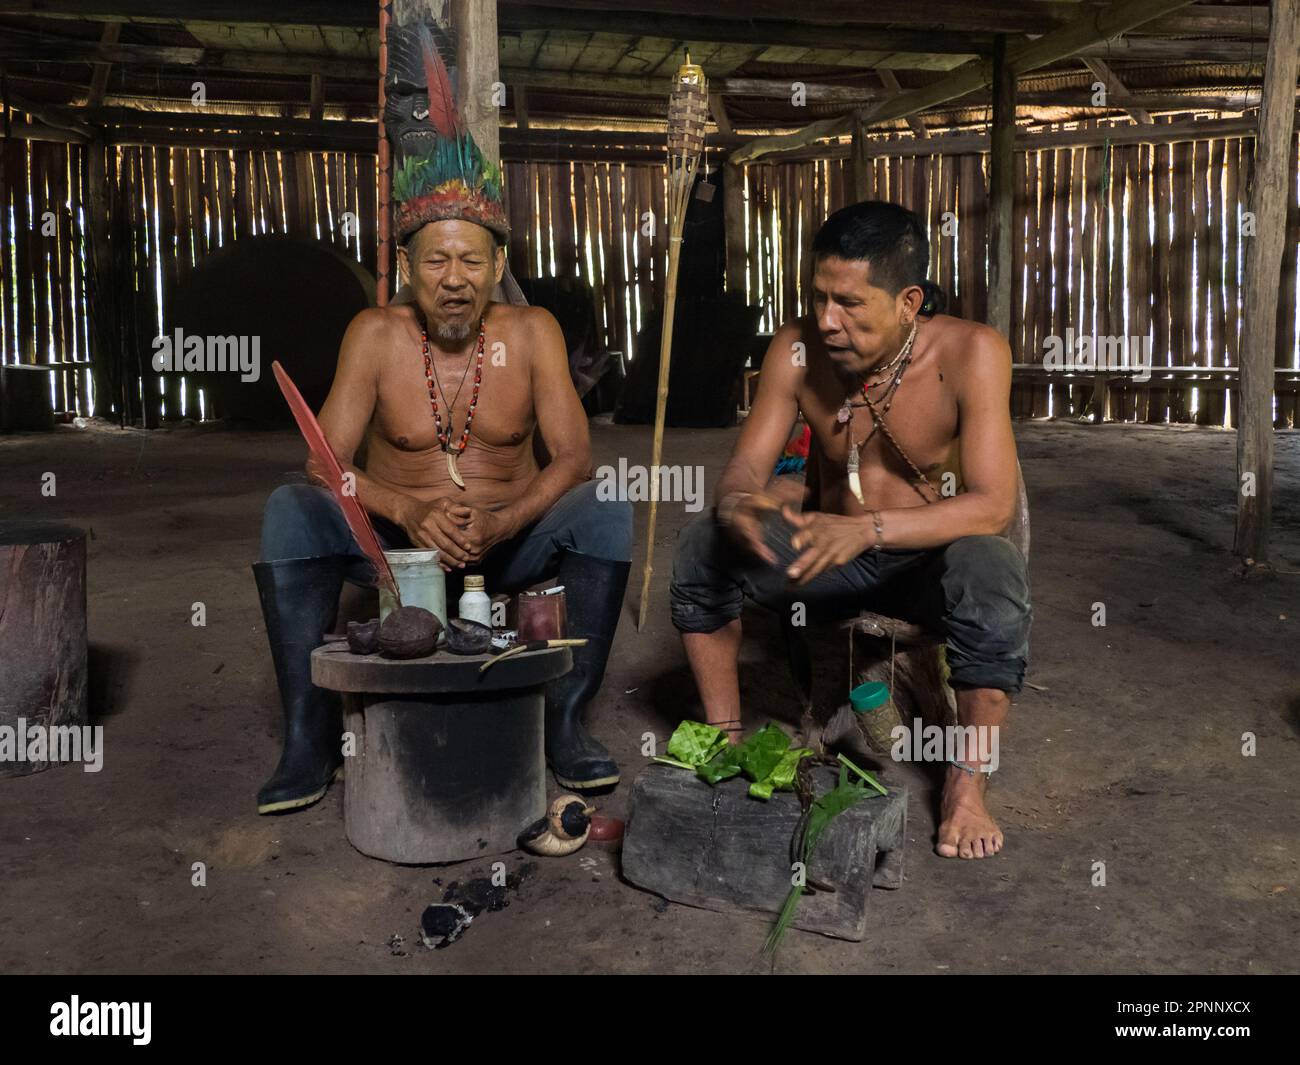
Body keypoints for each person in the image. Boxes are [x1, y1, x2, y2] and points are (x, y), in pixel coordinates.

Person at [251, 110, 631, 816]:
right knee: (289, 512)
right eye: (435, 260)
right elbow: (322, 462)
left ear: (497, 266)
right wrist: (408, 510)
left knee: (607, 506)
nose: (454, 279)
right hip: (397, 551)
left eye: (470, 260)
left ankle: (565, 720)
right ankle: (308, 738)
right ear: (405, 267)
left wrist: (504, 516)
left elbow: (575, 458)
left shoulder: (533, 331)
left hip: (507, 545)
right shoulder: (374, 333)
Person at [669, 200, 1031, 860]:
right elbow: (746, 465)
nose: (828, 321)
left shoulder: (973, 352)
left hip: (928, 560)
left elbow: (992, 506)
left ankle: (965, 786)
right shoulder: (797, 347)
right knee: (702, 548)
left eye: (850, 303)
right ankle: (723, 734)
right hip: (828, 553)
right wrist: (737, 506)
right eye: (818, 297)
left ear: (908, 301)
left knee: (991, 572)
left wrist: (869, 530)